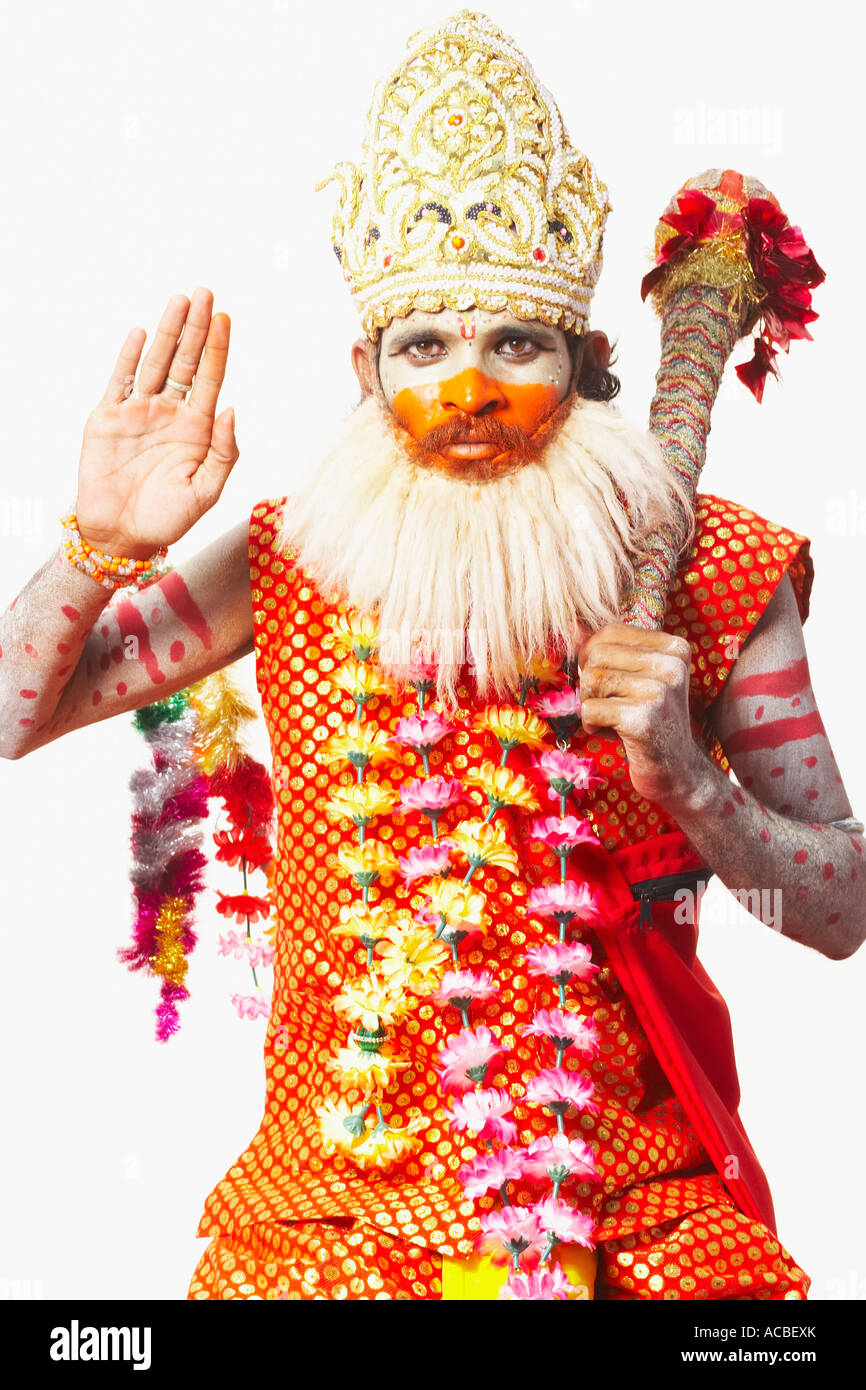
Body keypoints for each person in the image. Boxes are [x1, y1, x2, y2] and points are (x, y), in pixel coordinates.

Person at [1, 11, 862, 1301]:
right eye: (425, 347)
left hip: (637, 1225)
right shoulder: (294, 554)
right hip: (323, 1228)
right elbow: (17, 716)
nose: (469, 388)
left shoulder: (710, 570)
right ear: (367, 366)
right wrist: (99, 544)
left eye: (515, 345)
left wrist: (689, 781)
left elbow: (839, 908)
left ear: (579, 362)